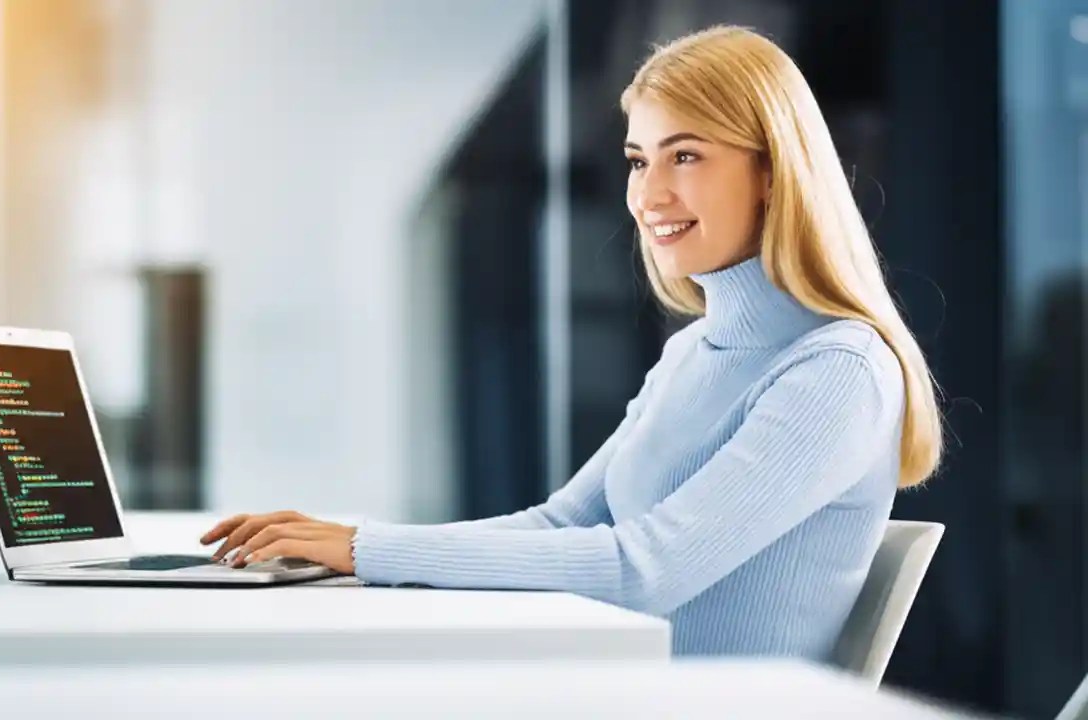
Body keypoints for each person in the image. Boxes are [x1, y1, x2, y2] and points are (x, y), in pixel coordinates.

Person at [198, 24, 942, 661]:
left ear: (775, 174)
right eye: (637, 159)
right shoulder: (694, 353)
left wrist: (365, 549)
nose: (649, 194)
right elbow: (561, 523)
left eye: (685, 156)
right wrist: (353, 549)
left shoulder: (837, 372)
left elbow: (643, 569)